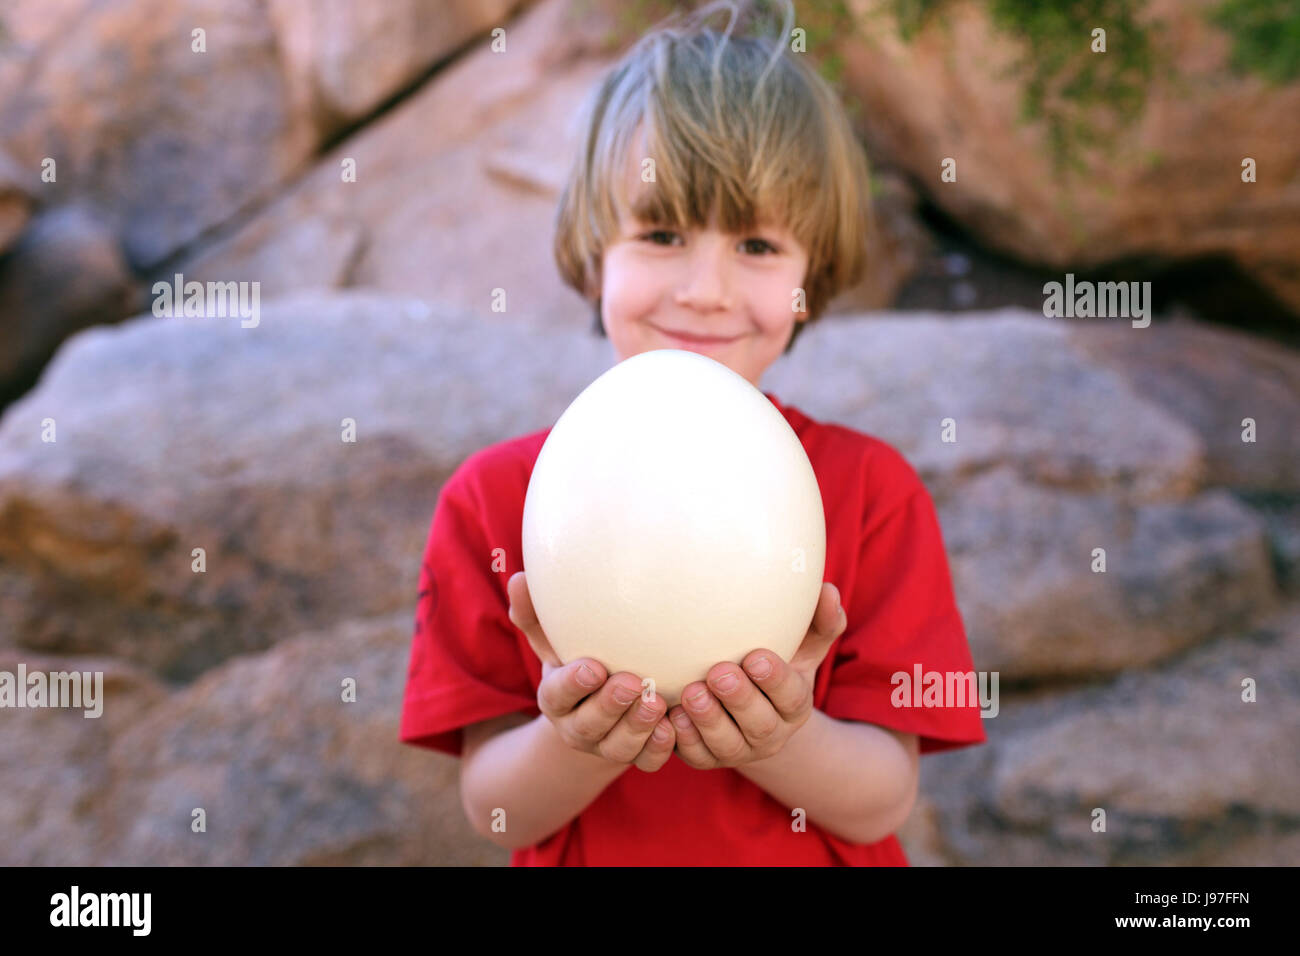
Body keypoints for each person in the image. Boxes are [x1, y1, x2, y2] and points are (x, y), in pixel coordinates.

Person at [399, 0, 986, 866]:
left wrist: (780, 736)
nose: (705, 289)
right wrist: (577, 738)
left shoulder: (867, 494)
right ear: (592, 249)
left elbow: (879, 804)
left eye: (756, 246)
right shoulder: (495, 503)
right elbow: (495, 812)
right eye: (661, 233)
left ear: (811, 277)